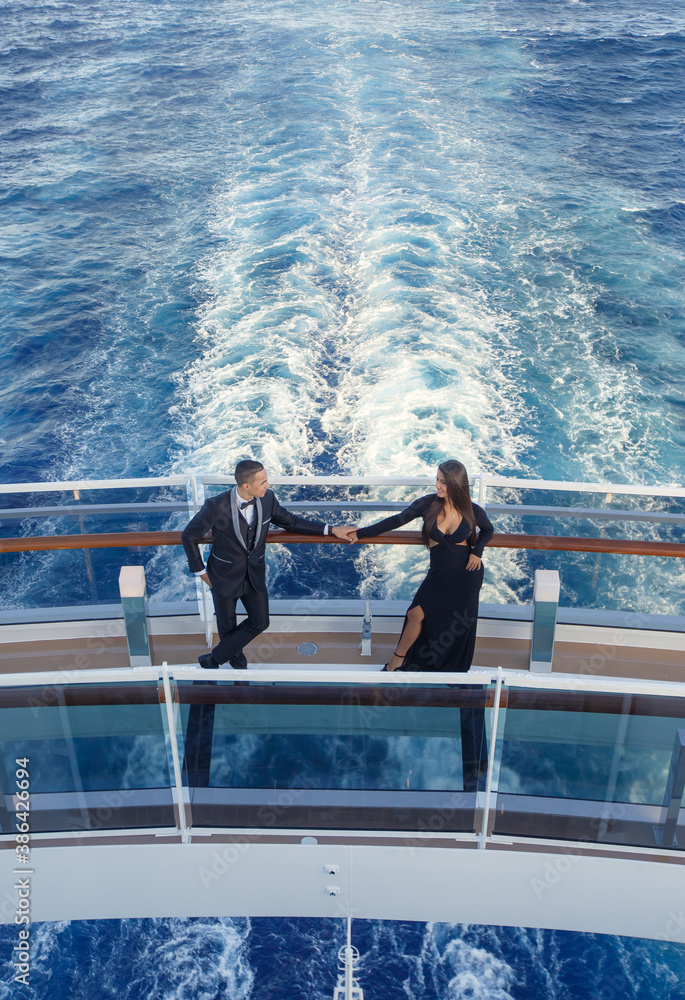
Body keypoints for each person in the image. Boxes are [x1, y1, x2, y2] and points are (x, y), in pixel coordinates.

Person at [182, 460, 350, 669]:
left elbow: (292, 522)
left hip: (254, 575)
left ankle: (213, 659)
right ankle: (238, 666)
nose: (267, 486)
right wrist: (201, 572)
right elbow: (189, 536)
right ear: (246, 486)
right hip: (222, 576)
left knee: (261, 622)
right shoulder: (216, 506)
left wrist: (331, 529)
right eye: (263, 482)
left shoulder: (267, 499)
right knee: (227, 627)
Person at [346, 459, 494, 672]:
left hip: (467, 576)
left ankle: (448, 667)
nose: (438, 486)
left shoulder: (472, 510)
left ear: (456, 484)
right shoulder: (427, 504)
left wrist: (477, 552)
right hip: (438, 575)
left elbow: (488, 530)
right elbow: (396, 521)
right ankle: (398, 659)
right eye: (437, 480)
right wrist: (360, 533)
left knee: (455, 624)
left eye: (443, 482)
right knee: (415, 613)